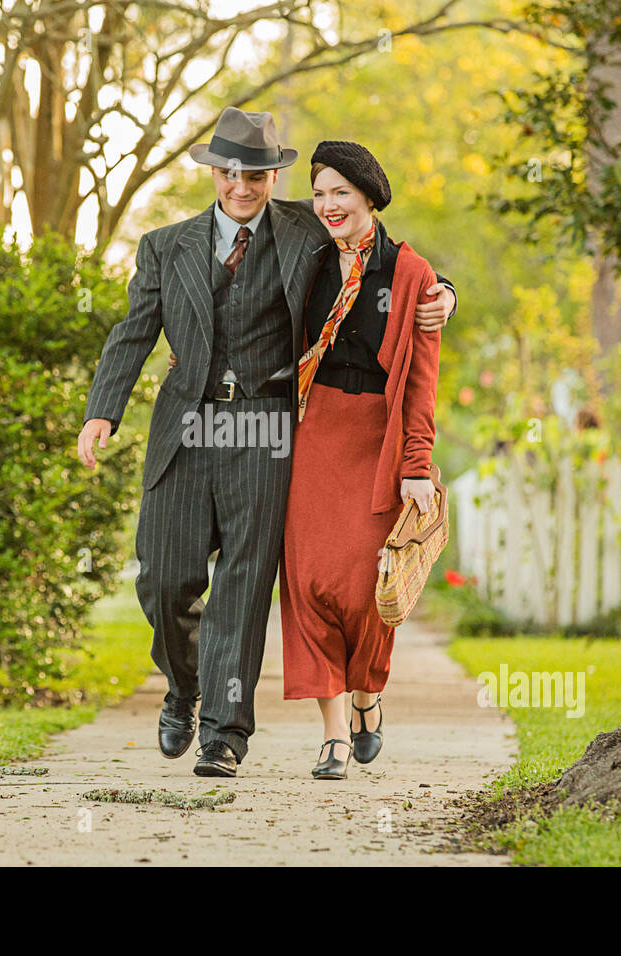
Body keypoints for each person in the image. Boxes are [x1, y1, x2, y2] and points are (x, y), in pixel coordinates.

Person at [77, 108, 456, 778]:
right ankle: (182, 687)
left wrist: (442, 292)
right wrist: (102, 411)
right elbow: (133, 330)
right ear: (213, 173)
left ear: (272, 175)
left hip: (268, 431)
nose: (243, 185)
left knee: (247, 587)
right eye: (230, 172)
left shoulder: (305, 230)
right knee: (165, 579)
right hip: (190, 429)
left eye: (256, 173)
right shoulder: (167, 246)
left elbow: (383, 253)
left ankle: (226, 733)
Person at [279, 141, 450, 779]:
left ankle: (368, 696)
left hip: (377, 438)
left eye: (340, 193)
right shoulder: (304, 258)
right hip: (314, 432)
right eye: (318, 193)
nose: (327, 205)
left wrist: (416, 465)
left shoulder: (411, 275)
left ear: (369, 198)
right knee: (309, 582)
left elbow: (422, 382)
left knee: (366, 589)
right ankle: (332, 737)